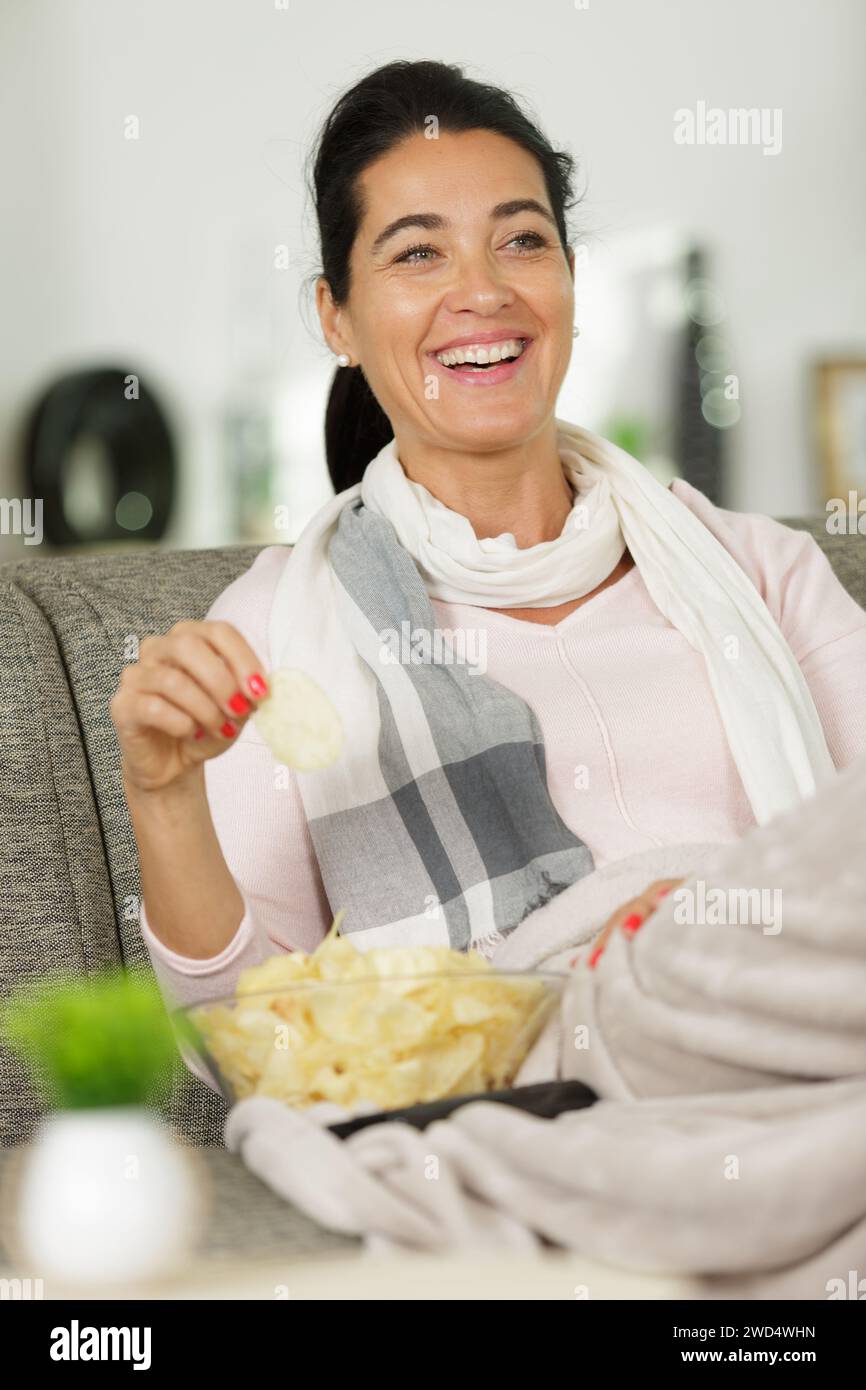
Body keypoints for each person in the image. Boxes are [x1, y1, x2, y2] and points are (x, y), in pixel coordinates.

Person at [110, 60, 866, 1016]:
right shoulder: (275, 633)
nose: (483, 292)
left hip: (800, 1044)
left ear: (570, 281)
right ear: (335, 317)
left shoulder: (763, 574)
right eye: (418, 254)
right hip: (524, 1098)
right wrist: (165, 797)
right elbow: (248, 1035)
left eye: (520, 241)